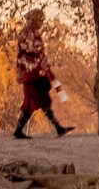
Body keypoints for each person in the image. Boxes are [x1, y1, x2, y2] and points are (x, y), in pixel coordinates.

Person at [13, 8, 71, 139]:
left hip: (26, 74)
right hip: (33, 74)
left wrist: (20, 72)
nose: (42, 23)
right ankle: (58, 128)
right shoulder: (33, 34)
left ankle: (18, 130)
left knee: (30, 102)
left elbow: (21, 55)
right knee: (43, 100)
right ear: (35, 19)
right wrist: (48, 72)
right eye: (41, 20)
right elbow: (39, 55)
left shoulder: (23, 33)